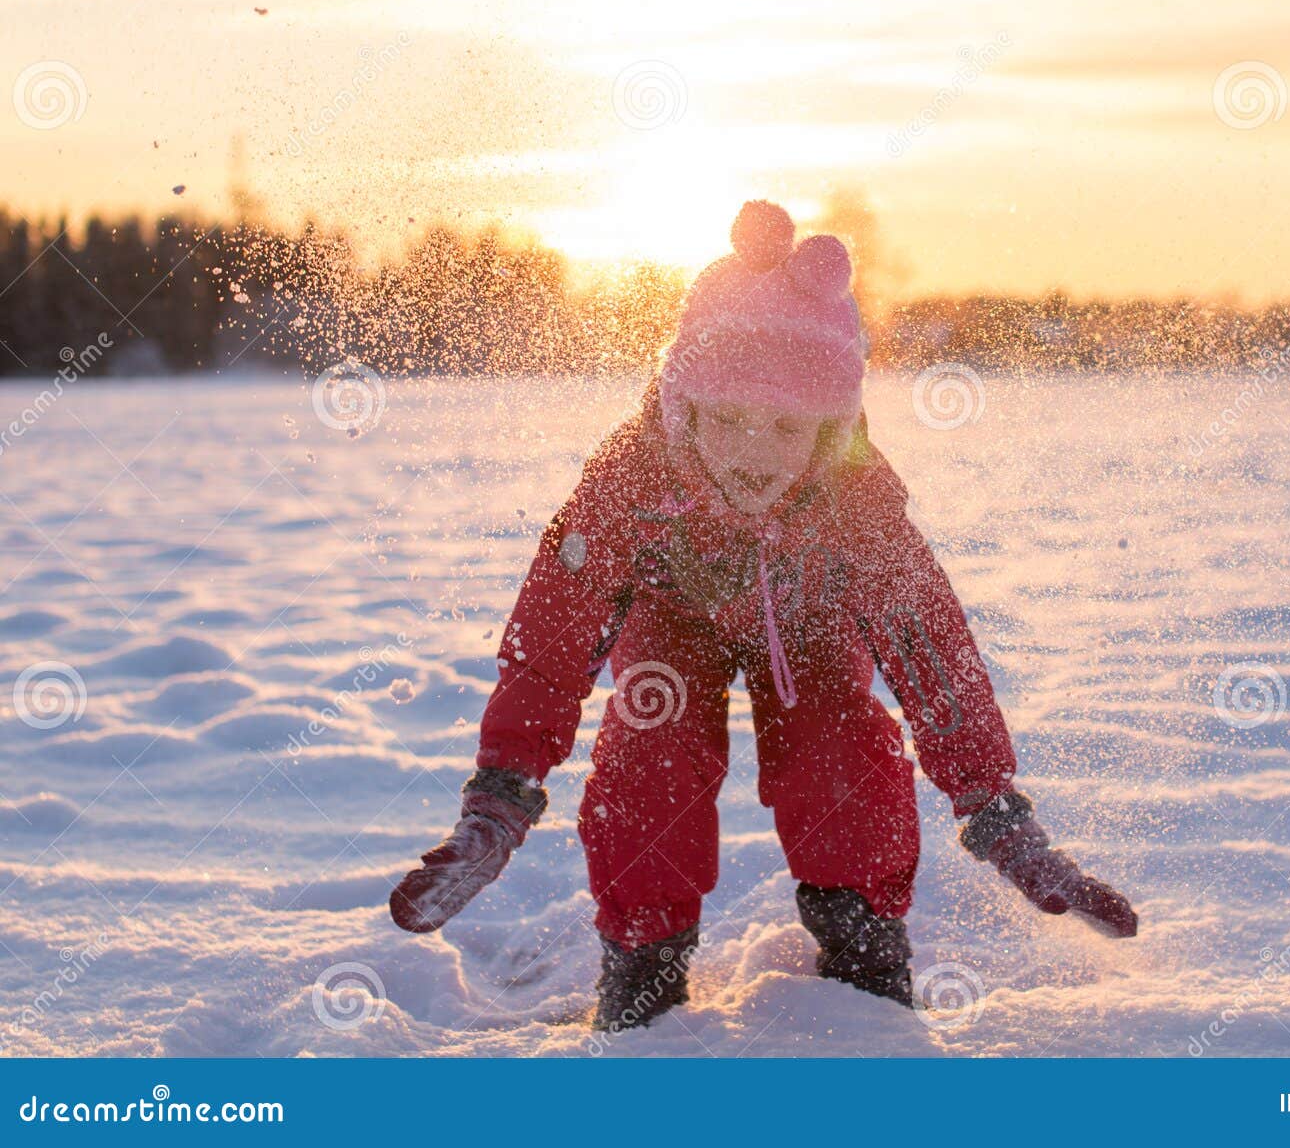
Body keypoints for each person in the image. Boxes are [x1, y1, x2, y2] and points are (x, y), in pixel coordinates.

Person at [389, 200, 1137, 1031]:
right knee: (652, 739)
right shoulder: (629, 483)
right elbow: (552, 645)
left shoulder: (857, 504)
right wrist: (498, 799)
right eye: (732, 418)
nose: (756, 449)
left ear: (829, 428)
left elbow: (933, 653)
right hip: (675, 626)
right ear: (687, 407)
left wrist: (999, 813)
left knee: (840, 741)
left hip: (811, 630)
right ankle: (643, 971)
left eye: (786, 426)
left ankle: (864, 954)